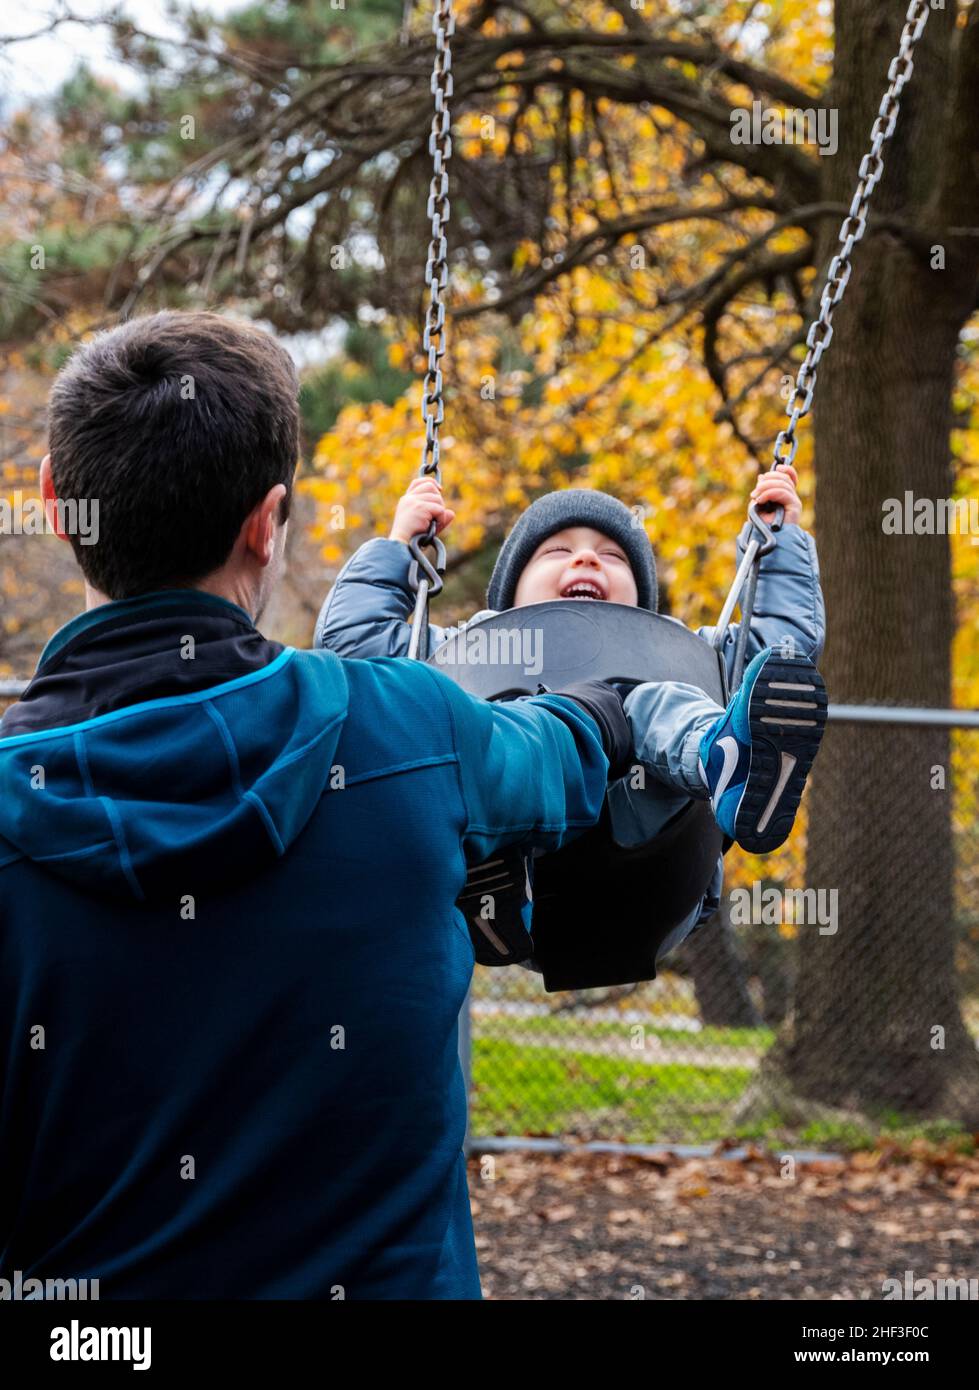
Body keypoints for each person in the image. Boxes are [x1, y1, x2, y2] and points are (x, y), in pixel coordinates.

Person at [0, 310, 636, 1301]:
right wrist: (615, 705)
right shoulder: (413, 732)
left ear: (53, 502)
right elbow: (564, 757)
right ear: (268, 519)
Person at [316, 471, 827, 965]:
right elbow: (355, 655)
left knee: (649, 702)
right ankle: (492, 877)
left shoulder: (686, 655)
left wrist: (778, 546)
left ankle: (726, 759)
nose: (587, 557)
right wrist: (399, 546)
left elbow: (779, 653)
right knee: (473, 719)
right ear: (511, 594)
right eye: (558, 551)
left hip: (652, 856)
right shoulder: (464, 649)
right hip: (521, 866)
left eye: (613, 556)